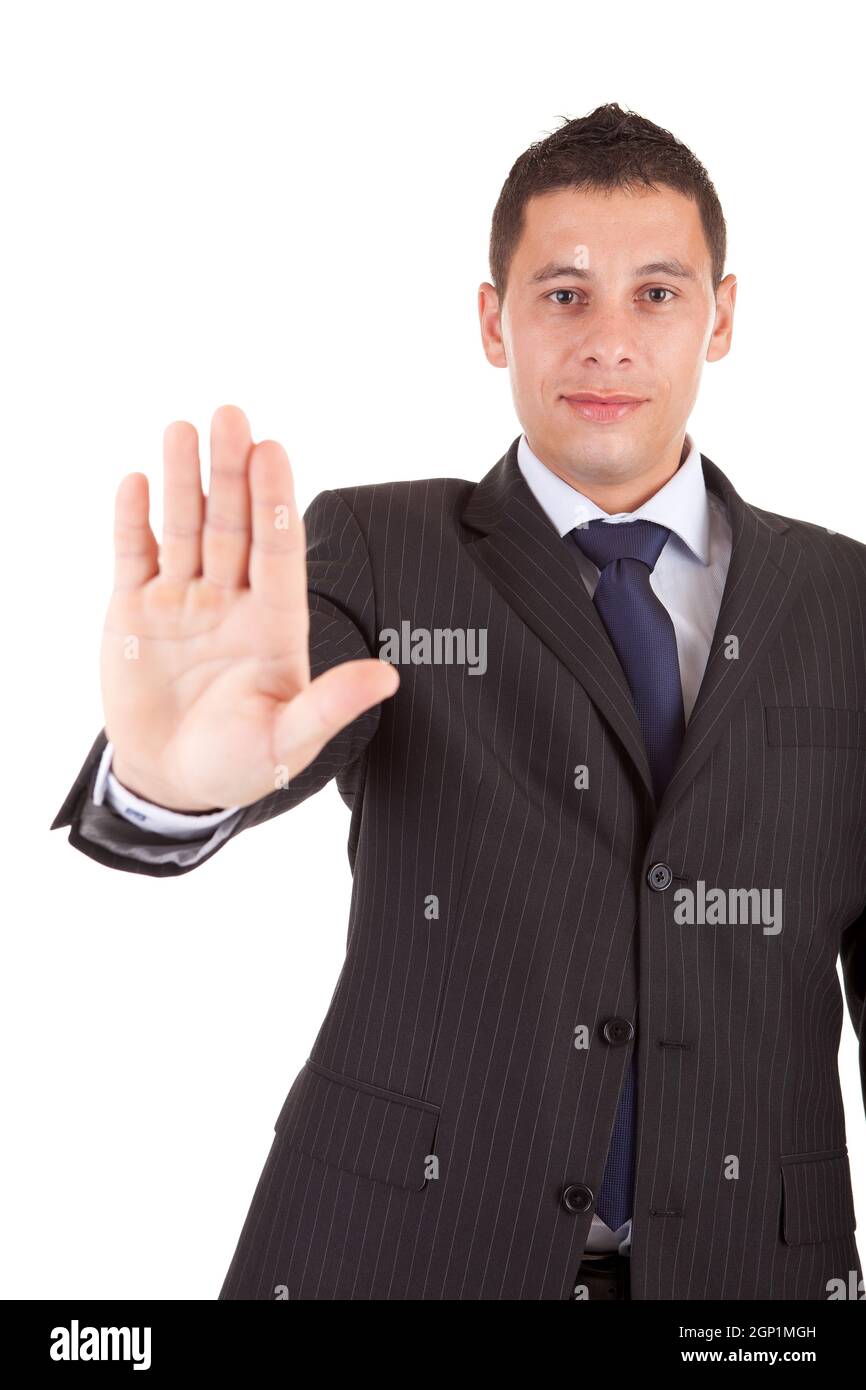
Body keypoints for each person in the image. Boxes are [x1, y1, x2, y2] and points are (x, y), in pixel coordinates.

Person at [52, 103, 865, 1301]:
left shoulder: (847, 598)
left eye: (654, 293)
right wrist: (172, 782)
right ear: (493, 321)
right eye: (560, 295)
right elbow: (260, 724)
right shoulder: (382, 548)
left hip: (752, 1282)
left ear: (720, 316)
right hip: (400, 1256)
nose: (606, 343)